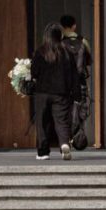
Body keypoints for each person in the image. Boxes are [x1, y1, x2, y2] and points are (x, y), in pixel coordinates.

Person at [30, 20, 81, 161]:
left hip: (42, 92)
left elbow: (34, 72)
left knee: (42, 122)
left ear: (46, 36)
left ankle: (43, 152)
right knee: (61, 120)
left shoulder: (40, 52)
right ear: (60, 35)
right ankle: (64, 143)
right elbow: (74, 76)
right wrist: (77, 95)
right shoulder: (67, 53)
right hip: (61, 93)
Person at [59, 12, 94, 150]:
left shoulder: (59, 42)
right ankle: (78, 137)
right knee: (80, 110)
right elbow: (89, 61)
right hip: (80, 82)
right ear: (74, 26)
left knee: (62, 111)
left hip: (63, 83)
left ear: (61, 26)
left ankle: (64, 140)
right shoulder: (83, 41)